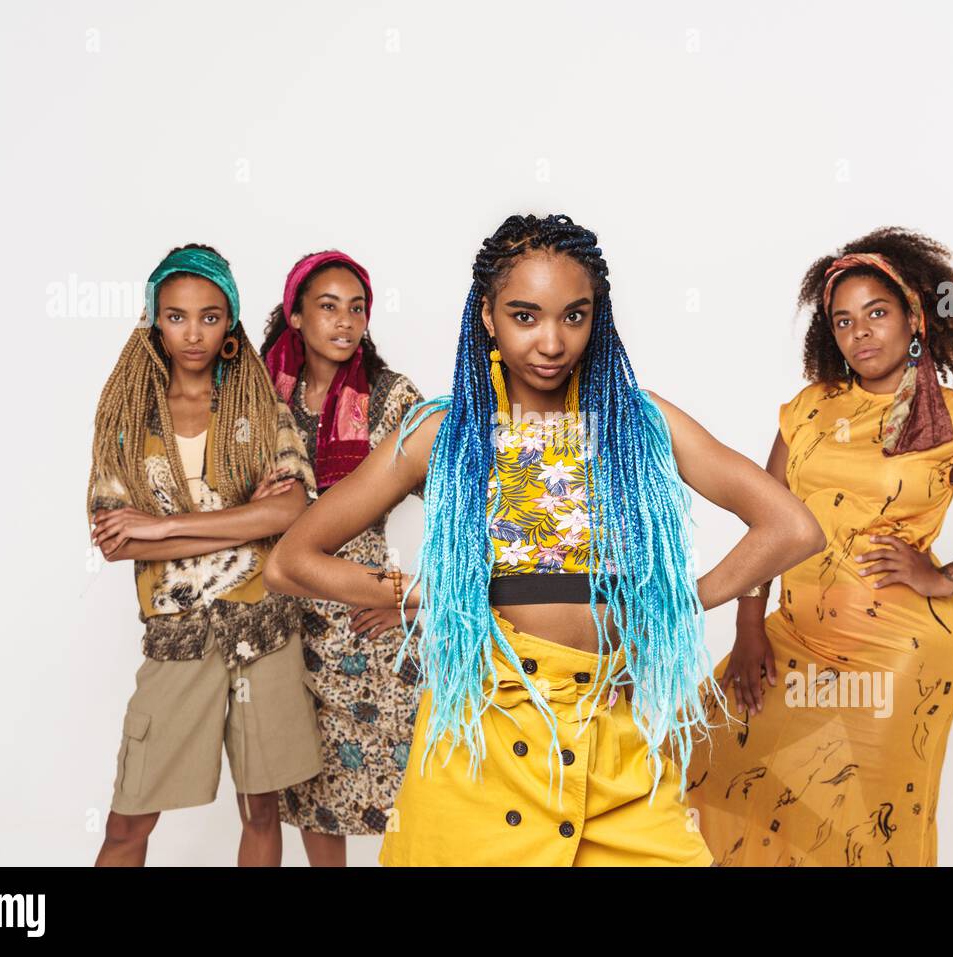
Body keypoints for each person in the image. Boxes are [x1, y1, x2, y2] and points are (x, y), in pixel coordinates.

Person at [265, 214, 825, 866]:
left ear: (597, 317)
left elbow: (792, 527)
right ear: (488, 315)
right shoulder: (445, 430)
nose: (552, 341)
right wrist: (425, 591)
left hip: (609, 728)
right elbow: (290, 560)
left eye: (574, 316)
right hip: (489, 734)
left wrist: (679, 597)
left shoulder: (639, 420)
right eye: (525, 316)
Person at [685, 228, 953, 866]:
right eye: (843, 321)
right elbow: (765, 520)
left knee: (859, 823)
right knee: (709, 767)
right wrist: (750, 625)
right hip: (792, 635)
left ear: (914, 317)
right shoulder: (808, 411)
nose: (860, 332)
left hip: (898, 653)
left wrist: (943, 577)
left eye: (876, 313)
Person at [88, 244, 322, 866]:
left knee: (261, 810)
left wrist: (164, 530)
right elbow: (116, 540)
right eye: (177, 316)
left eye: (211, 317)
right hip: (179, 638)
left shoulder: (258, 408)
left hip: (264, 632)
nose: (193, 333)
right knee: (126, 822)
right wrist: (246, 523)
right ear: (154, 322)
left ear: (231, 326)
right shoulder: (125, 417)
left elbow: (290, 512)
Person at [259, 250, 425, 866]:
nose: (344, 321)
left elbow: (468, 511)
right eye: (328, 307)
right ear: (296, 315)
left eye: (357, 309)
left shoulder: (390, 397)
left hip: (362, 611)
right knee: (310, 787)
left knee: (408, 785)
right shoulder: (260, 398)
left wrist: (405, 597)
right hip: (281, 615)